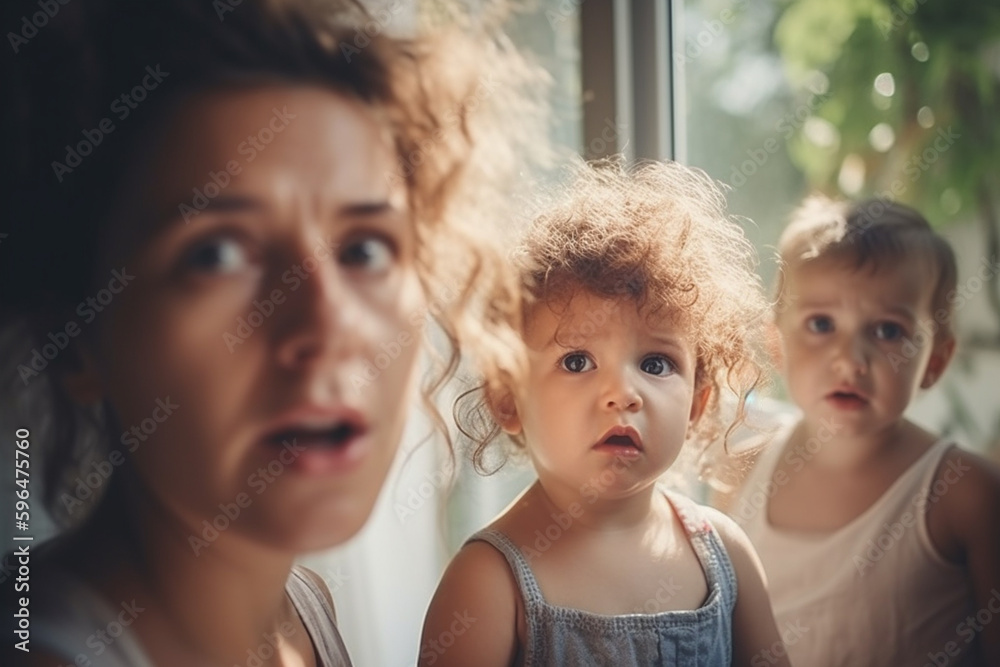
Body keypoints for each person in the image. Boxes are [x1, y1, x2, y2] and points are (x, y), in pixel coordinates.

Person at [0, 0, 544, 664]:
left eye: (365, 250)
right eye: (217, 254)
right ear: (78, 338)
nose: (329, 323)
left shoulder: (306, 609)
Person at [419, 160, 791, 666]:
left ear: (698, 406)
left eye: (656, 363)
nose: (623, 393)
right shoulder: (486, 585)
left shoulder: (725, 554)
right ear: (509, 399)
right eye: (577, 361)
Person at [718, 196, 1000, 666]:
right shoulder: (741, 470)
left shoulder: (965, 494)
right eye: (821, 324)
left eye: (888, 331)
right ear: (777, 344)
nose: (850, 360)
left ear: (935, 361)